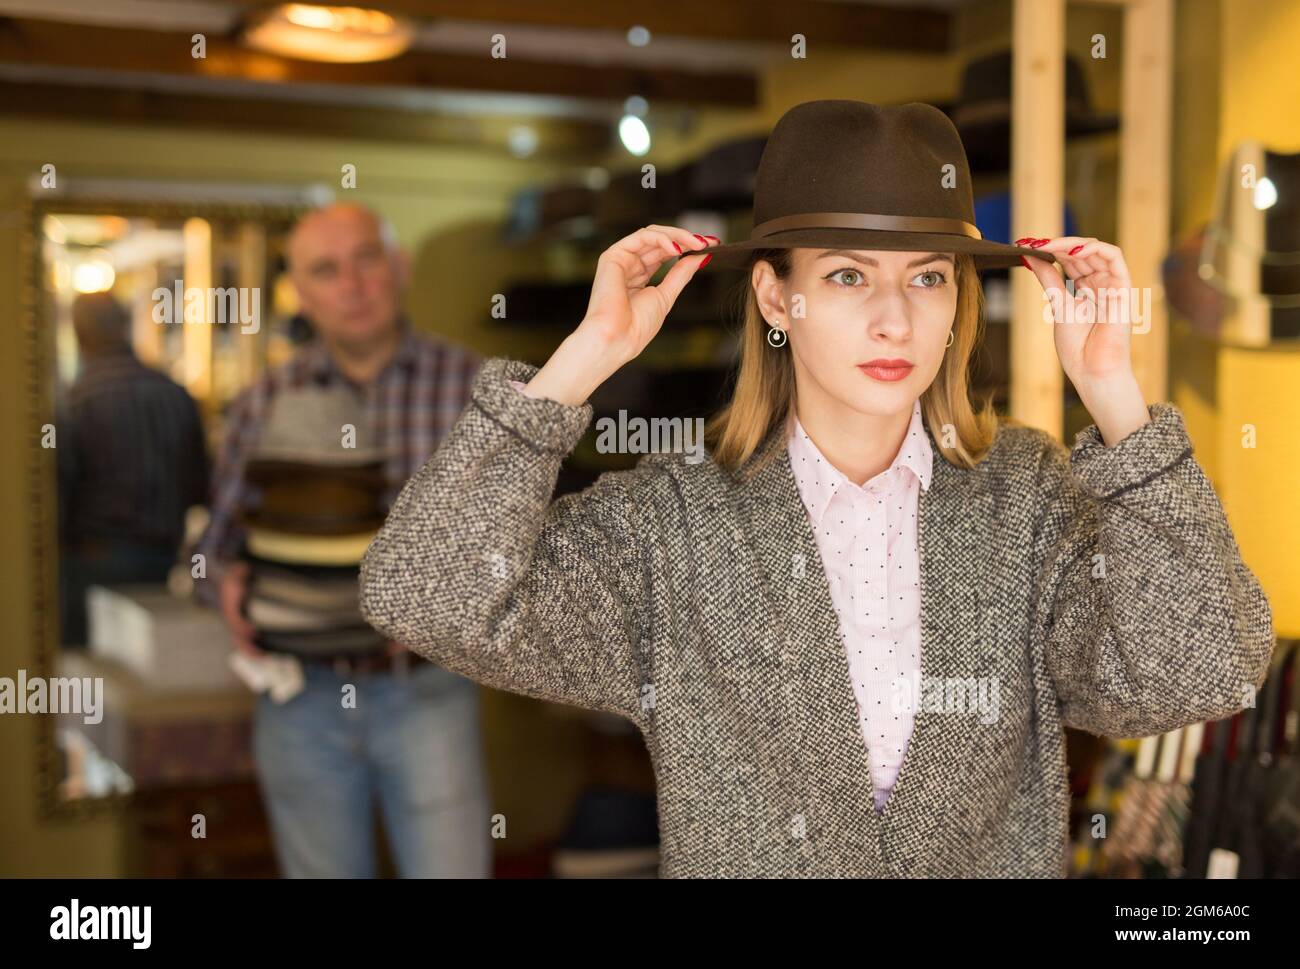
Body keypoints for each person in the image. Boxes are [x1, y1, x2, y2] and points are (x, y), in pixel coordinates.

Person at [358, 100, 1276, 877]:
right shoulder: (671, 521)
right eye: (846, 276)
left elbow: (1206, 668)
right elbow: (427, 593)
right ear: (773, 298)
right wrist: (585, 359)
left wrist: (1114, 396)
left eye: (927, 277)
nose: (893, 317)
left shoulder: (1026, 499)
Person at [196, 202, 490, 878]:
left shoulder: (478, 392)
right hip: (301, 699)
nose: (352, 285)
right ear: (300, 290)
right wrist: (227, 589)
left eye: (367, 260)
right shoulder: (262, 404)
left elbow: (519, 549)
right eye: (326, 270)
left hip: (428, 690)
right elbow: (213, 547)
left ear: (399, 267)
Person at [57, 291, 209, 648]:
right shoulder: (175, 393)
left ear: (79, 336)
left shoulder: (75, 402)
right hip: (162, 554)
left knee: (88, 677)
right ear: (126, 328)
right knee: (145, 663)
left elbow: (59, 490)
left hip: (93, 558)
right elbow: (200, 484)